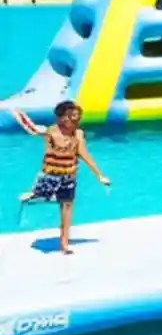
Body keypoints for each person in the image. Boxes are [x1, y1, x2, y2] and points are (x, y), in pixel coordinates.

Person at [10, 103, 110, 255]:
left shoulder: (78, 134)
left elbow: (84, 155)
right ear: (62, 118)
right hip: (50, 176)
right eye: (73, 116)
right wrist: (20, 116)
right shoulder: (51, 132)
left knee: (67, 209)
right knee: (40, 197)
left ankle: (64, 245)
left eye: (78, 116)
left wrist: (99, 175)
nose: (76, 119)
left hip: (68, 177)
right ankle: (33, 194)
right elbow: (34, 129)